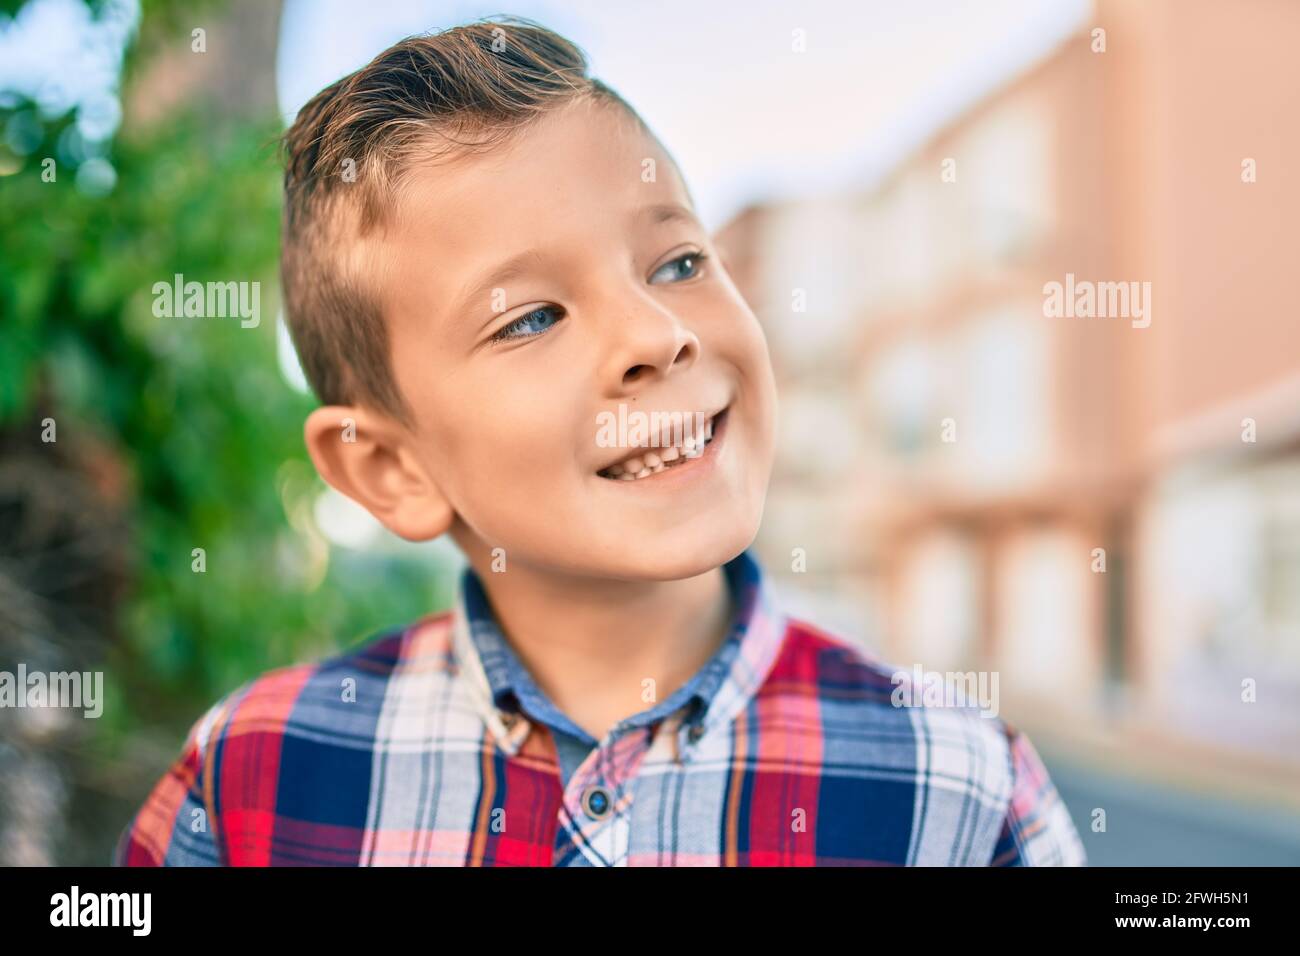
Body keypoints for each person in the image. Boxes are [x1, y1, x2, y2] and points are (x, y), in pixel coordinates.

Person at [115, 16, 1086, 867]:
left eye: (676, 260)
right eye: (531, 317)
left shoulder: (962, 790)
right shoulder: (253, 778)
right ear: (393, 467)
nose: (657, 333)